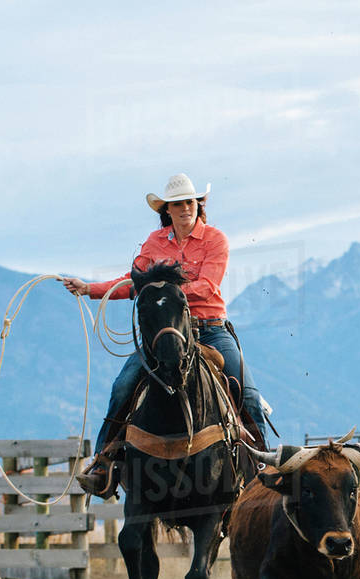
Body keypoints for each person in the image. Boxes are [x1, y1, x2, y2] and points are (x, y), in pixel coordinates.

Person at [61, 173, 268, 497]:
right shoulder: (154, 242)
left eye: (190, 202)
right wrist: (91, 289)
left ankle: (264, 469)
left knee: (249, 394)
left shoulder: (215, 239)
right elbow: (133, 280)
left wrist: (163, 288)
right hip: (164, 336)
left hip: (210, 329)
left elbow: (207, 285)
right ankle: (103, 464)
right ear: (167, 210)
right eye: (178, 204)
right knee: (123, 387)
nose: (186, 208)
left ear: (198, 206)